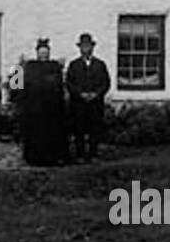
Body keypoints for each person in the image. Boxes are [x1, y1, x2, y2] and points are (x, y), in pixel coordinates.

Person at [18, 38, 67, 166]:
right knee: (35, 134)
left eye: (46, 52)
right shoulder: (30, 66)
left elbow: (59, 86)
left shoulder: (54, 66)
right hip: (35, 108)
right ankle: (34, 158)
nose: (43, 54)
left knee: (51, 133)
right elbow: (21, 85)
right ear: (37, 53)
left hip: (51, 108)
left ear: (49, 53)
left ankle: (52, 158)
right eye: (41, 52)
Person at [65, 33, 110, 163]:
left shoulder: (100, 64)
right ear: (80, 48)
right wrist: (80, 94)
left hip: (95, 103)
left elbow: (105, 83)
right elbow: (69, 83)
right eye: (83, 46)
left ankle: (93, 154)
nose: (86, 49)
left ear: (92, 47)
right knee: (79, 129)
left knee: (94, 129)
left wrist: (96, 94)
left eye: (88, 46)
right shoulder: (74, 65)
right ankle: (80, 155)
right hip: (79, 104)